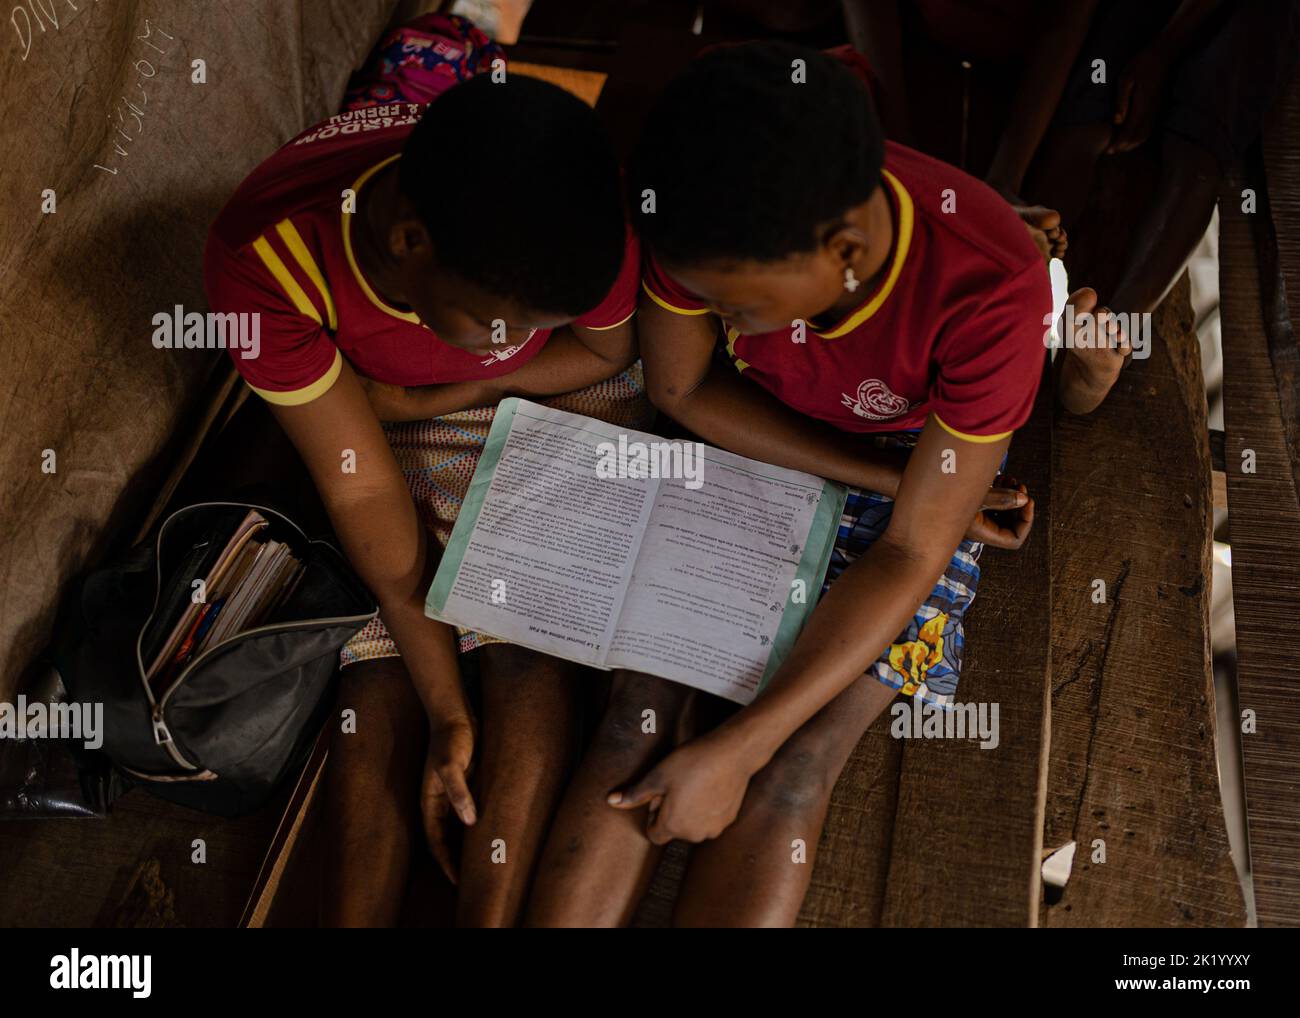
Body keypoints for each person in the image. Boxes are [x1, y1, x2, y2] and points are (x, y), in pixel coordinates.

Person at [526, 41, 1049, 927]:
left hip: (918, 488)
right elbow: (684, 387)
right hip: (748, 437)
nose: (722, 320)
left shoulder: (994, 291)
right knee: (640, 711)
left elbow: (917, 544)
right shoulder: (706, 203)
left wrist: (739, 747)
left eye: (736, 308)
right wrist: (882, 473)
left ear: (845, 251)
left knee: (798, 763)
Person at [204, 14, 646, 927]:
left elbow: (601, 348)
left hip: (528, 392)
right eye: (503, 321)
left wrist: (451, 388)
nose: (516, 333)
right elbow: (361, 484)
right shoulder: (267, 267)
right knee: (380, 651)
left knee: (525, 618)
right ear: (408, 249)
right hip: (374, 409)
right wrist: (448, 707)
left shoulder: (570, 214)